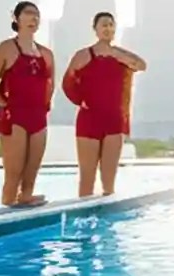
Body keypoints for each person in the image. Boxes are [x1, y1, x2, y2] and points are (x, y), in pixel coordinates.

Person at [61, 11, 146, 197]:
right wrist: (80, 100)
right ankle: (83, 218)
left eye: (111, 25)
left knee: (109, 181)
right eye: (104, 25)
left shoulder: (121, 57)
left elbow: (142, 65)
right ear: (95, 29)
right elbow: (67, 83)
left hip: (114, 120)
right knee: (87, 179)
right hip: (89, 119)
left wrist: (118, 53)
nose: (108, 28)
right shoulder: (83, 55)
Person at [0, 0, 54, 206]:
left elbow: (50, 82)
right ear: (17, 18)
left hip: (38, 115)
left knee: (32, 169)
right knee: (14, 171)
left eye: (37, 14)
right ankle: (7, 205)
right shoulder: (7, 48)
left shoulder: (46, 54)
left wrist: (46, 104)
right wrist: (3, 103)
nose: (34, 18)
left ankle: (27, 195)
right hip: (14, 114)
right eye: (28, 13)